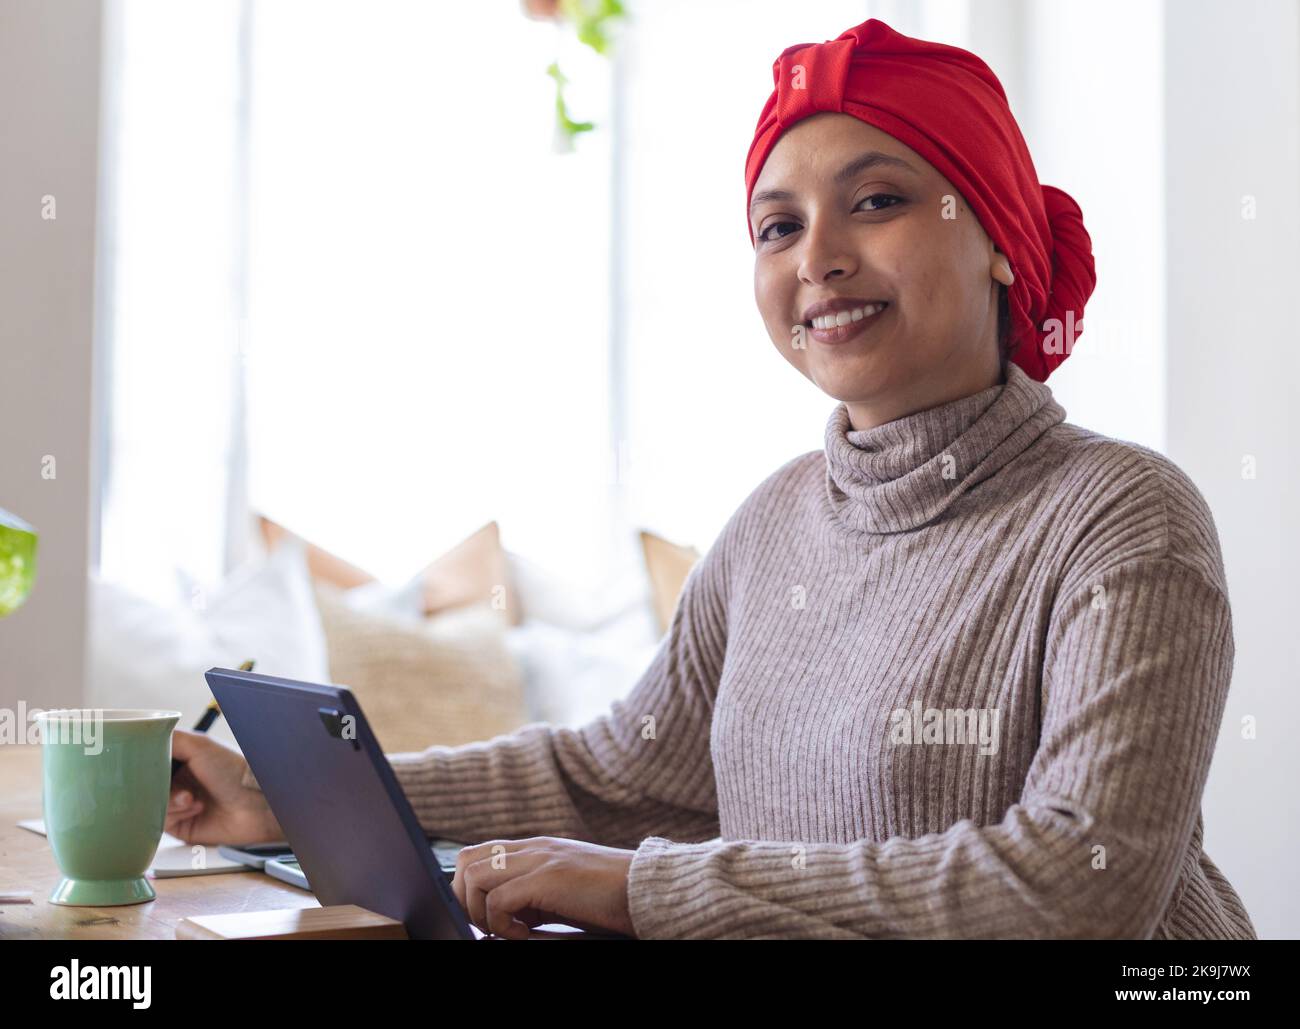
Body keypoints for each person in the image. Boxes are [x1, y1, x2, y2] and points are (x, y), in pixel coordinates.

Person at [167, 17, 1256, 940]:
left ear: (999, 238)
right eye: (776, 226)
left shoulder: (1121, 518)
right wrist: (277, 797)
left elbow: (1077, 881)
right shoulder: (778, 518)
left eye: (875, 202)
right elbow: (616, 776)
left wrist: (647, 891)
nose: (814, 255)